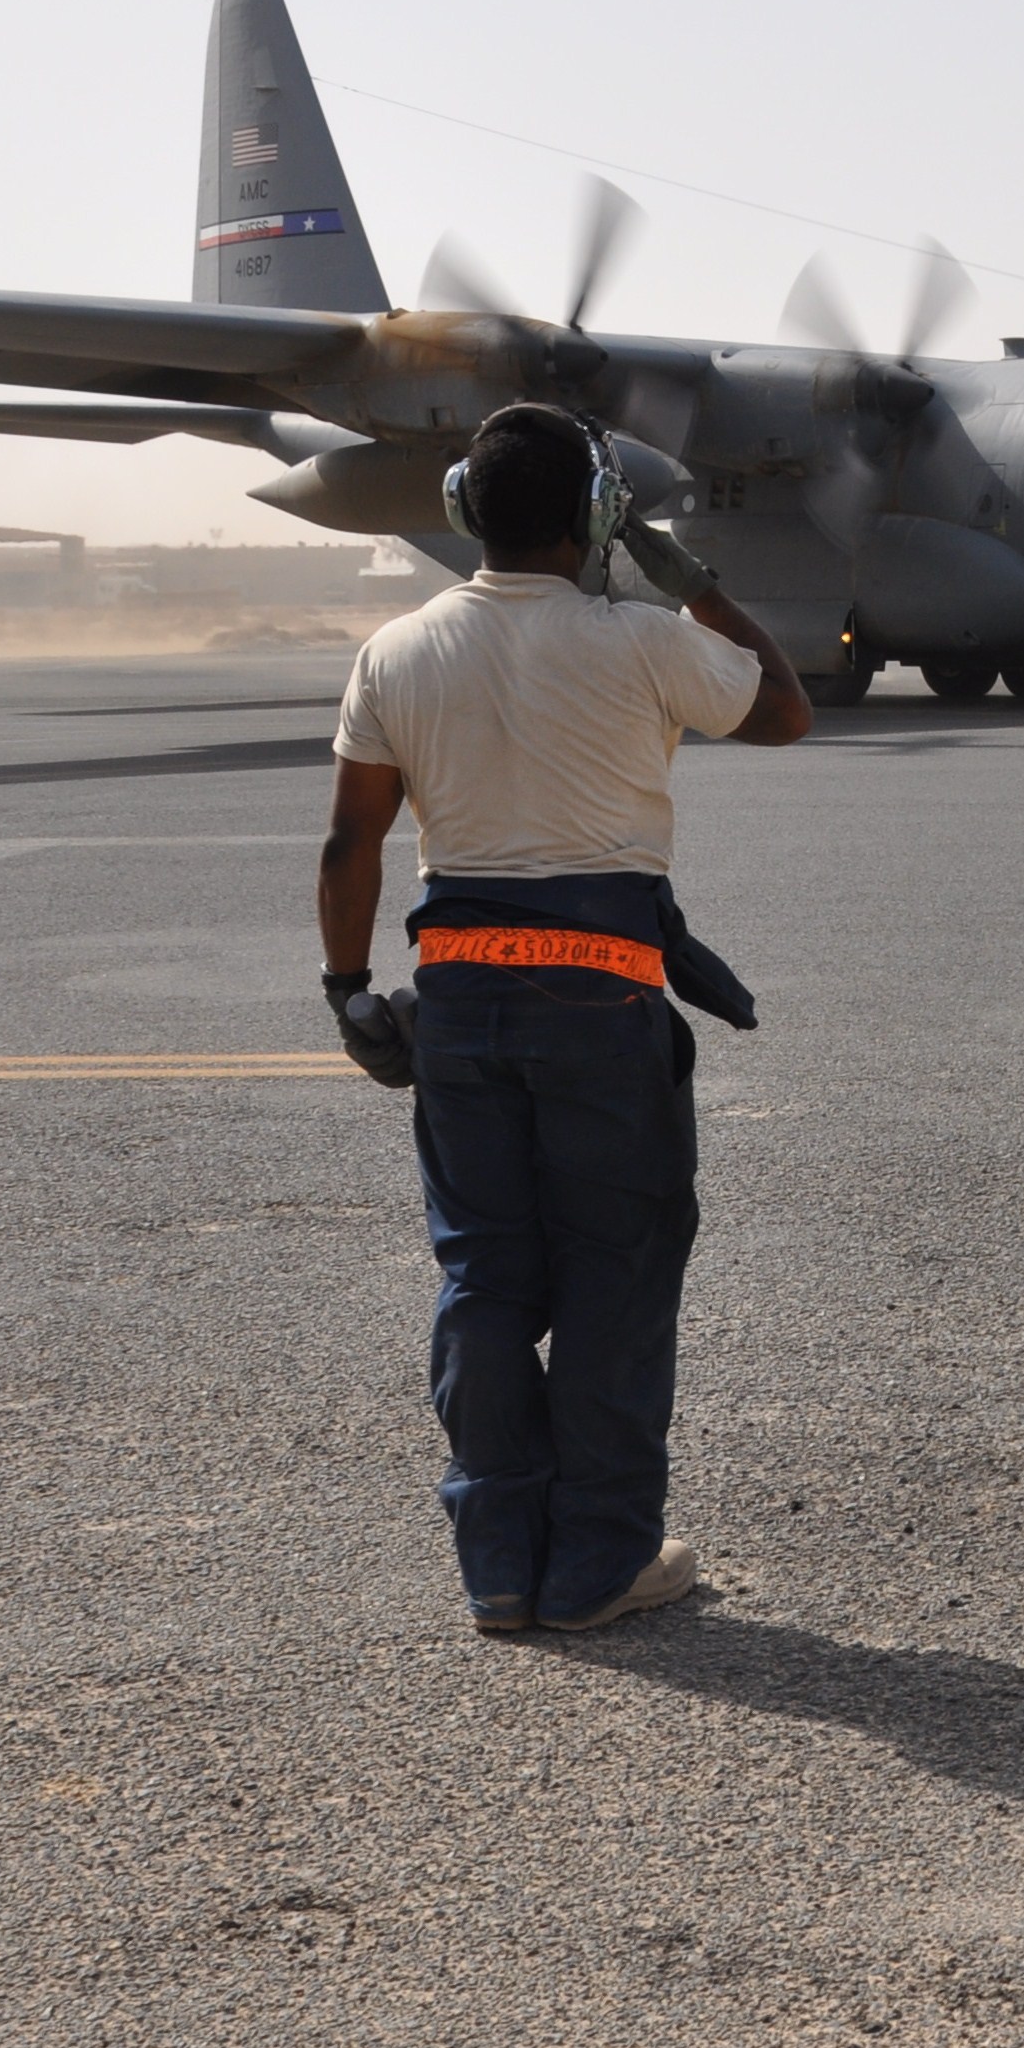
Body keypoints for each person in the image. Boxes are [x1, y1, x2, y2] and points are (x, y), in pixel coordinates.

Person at [316, 404, 811, 1635]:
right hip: (600, 996)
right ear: (596, 517)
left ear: (461, 507)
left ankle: (496, 1562)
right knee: (615, 1276)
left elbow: (351, 838)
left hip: (459, 1000)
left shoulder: (395, 652)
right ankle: (597, 1564)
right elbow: (785, 707)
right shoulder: (645, 640)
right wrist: (693, 583)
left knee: (484, 1275)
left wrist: (347, 989)